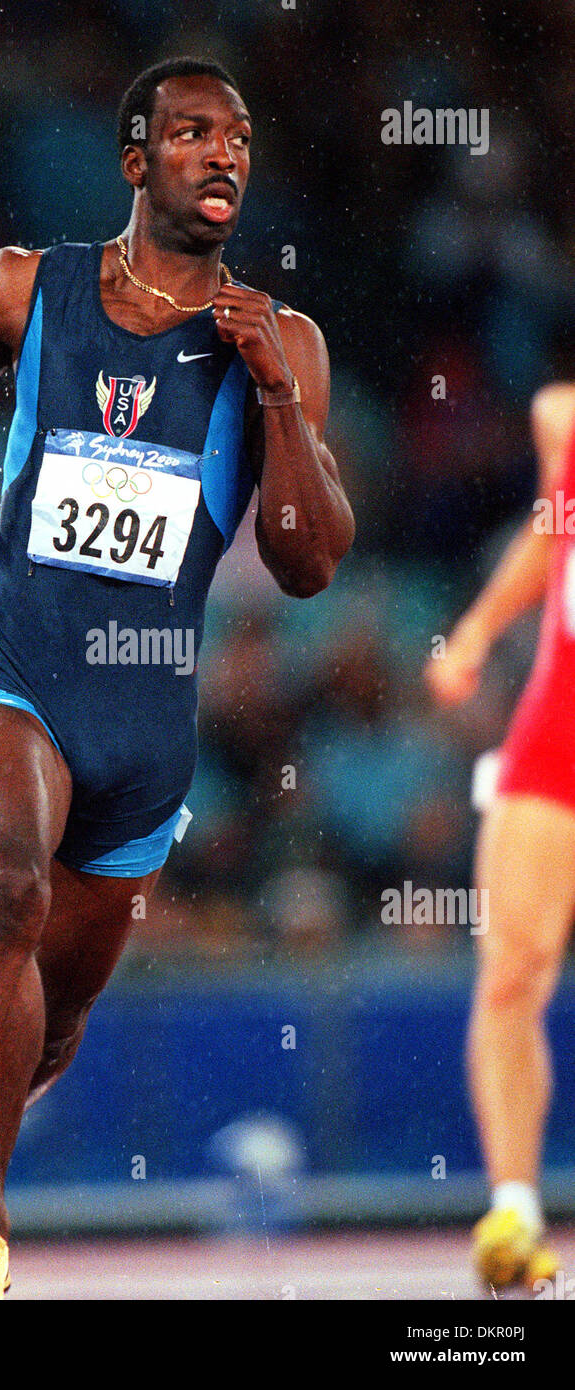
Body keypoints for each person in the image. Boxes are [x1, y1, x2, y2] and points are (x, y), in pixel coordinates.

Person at [0, 56, 353, 1299]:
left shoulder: (280, 340)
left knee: (58, 1019)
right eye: (193, 134)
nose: (224, 155)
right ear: (138, 161)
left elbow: (309, 563)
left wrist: (273, 402)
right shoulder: (25, 289)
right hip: (12, 674)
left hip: (145, 733)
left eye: (239, 138)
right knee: (6, 882)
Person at [426, 380, 575, 1290]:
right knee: (512, 967)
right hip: (558, 725)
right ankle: (512, 1209)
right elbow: (552, 526)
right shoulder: (565, 420)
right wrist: (477, 629)